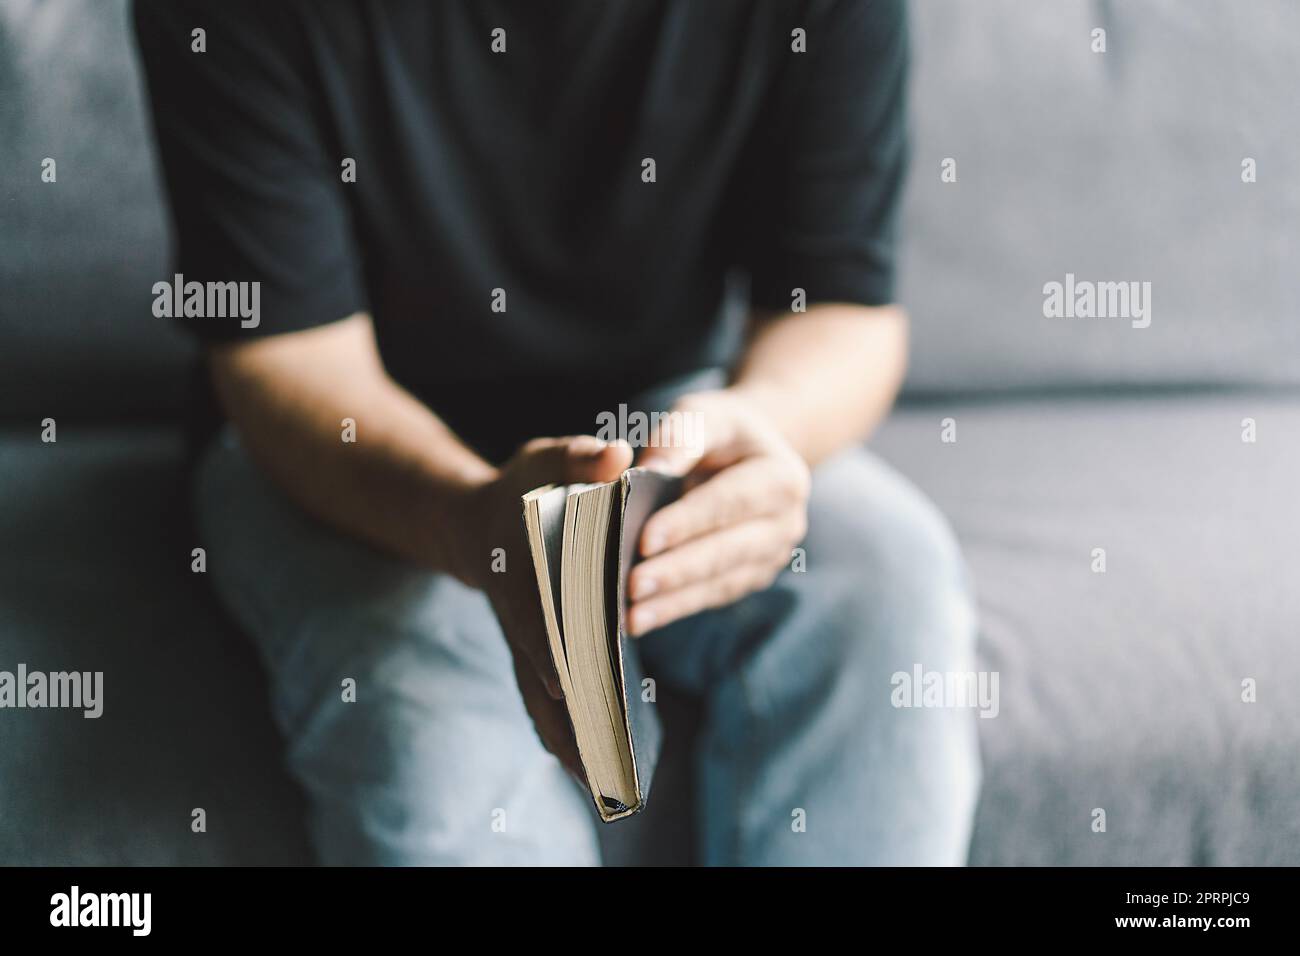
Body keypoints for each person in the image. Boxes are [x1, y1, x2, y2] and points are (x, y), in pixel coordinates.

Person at [134, 0, 980, 865]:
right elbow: (290, 365)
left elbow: (842, 309)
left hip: (659, 410)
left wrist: (757, 426)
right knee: (424, 699)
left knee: (886, 573)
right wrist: (469, 523)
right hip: (338, 440)